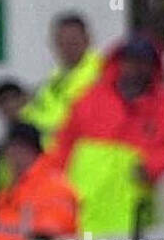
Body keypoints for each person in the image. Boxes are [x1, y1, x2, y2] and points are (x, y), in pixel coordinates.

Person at [47, 33, 164, 237]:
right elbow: (62, 150)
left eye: (143, 61)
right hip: (83, 218)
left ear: (152, 66)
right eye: (131, 60)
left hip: (137, 224)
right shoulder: (89, 101)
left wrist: (153, 165)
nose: (137, 68)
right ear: (119, 62)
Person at [0, 123, 79, 240]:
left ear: (28, 148)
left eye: (14, 148)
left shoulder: (54, 187)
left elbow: (51, 238)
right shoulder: (8, 193)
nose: (9, 156)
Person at [19, 13, 104, 147]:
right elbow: (36, 115)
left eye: (73, 41)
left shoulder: (101, 75)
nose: (67, 48)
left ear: (87, 40)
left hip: (85, 158)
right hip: (56, 158)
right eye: (61, 42)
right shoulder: (53, 80)